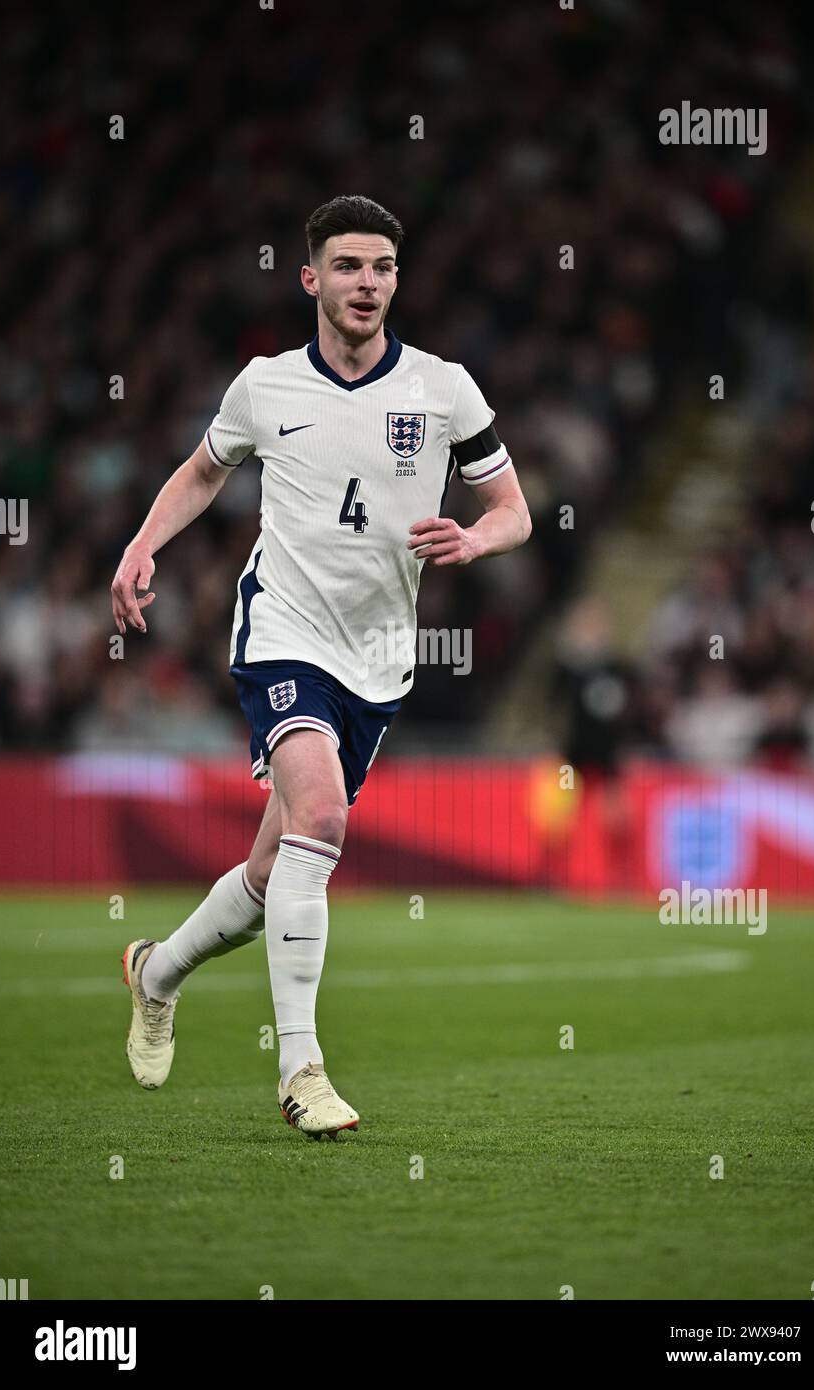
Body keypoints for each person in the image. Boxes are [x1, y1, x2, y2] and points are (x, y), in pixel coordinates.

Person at [111, 195, 531, 1138]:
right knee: (324, 818)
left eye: (381, 268)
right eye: (347, 266)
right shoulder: (264, 387)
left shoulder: (444, 389)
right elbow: (202, 471)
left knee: (272, 874)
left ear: (397, 281)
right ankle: (301, 1069)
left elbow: (517, 510)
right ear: (311, 278)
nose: (366, 284)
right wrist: (143, 544)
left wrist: (476, 538)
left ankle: (156, 972)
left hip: (379, 658)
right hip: (284, 630)